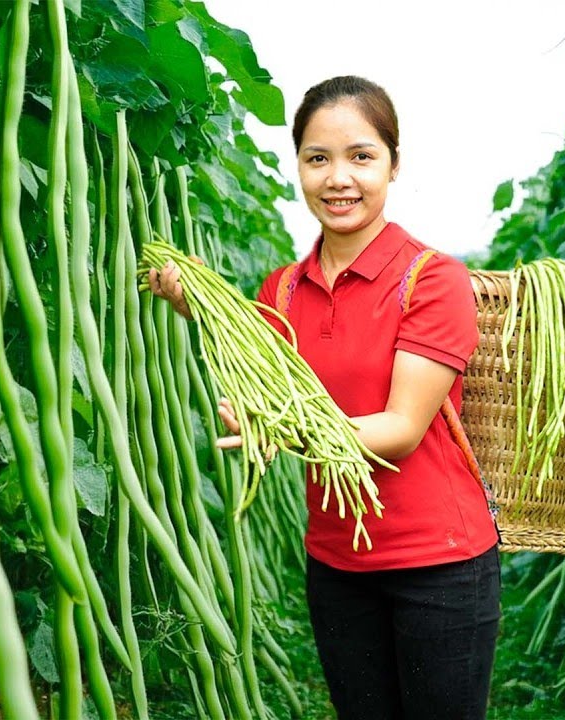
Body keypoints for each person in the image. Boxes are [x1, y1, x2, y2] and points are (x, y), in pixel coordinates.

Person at [148, 75, 501, 720]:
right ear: (300, 168)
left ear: (394, 164)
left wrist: (284, 428)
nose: (339, 178)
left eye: (361, 156)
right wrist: (194, 305)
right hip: (337, 559)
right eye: (318, 158)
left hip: (440, 563)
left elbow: (401, 429)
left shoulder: (432, 280)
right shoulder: (281, 290)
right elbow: (268, 385)